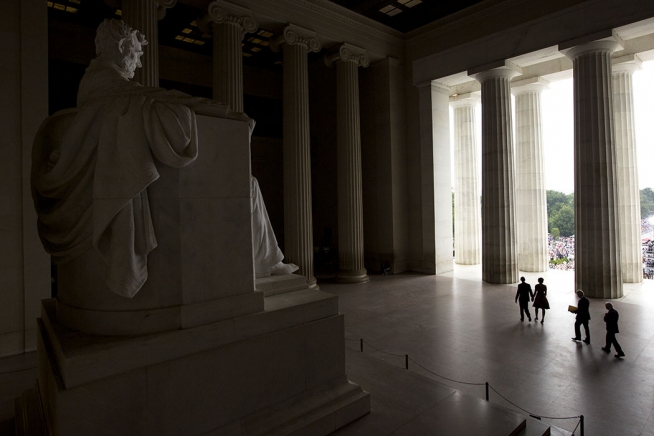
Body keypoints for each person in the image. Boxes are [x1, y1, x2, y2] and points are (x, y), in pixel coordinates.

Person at [32, 19, 296, 298]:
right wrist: (219, 112)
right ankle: (263, 262)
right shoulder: (104, 83)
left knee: (249, 184)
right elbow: (154, 97)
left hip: (168, 179)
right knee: (248, 185)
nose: (138, 63)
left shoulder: (103, 84)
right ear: (122, 47)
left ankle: (265, 261)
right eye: (135, 53)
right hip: (167, 180)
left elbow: (150, 96)